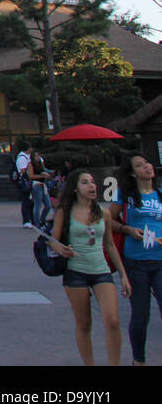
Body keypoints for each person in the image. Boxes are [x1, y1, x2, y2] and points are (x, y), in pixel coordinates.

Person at [49, 169, 130, 365]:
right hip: (75, 272)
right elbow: (53, 240)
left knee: (112, 321)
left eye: (92, 182)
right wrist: (62, 250)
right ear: (75, 189)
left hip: (101, 271)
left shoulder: (104, 213)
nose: (92, 186)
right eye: (85, 182)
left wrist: (123, 275)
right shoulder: (64, 212)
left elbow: (109, 245)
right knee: (84, 324)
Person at [109, 153, 162, 365]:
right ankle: (138, 360)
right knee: (141, 314)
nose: (147, 167)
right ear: (132, 173)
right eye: (140, 165)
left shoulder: (160, 194)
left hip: (160, 261)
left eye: (147, 163)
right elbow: (109, 220)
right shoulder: (124, 194)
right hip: (135, 262)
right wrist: (127, 229)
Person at [29, 147, 52, 228]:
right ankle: (36, 223)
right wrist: (41, 175)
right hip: (37, 185)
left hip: (43, 185)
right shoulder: (31, 164)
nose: (37, 157)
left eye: (38, 155)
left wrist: (48, 175)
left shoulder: (41, 164)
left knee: (48, 205)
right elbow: (31, 176)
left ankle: (42, 220)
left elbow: (45, 172)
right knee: (38, 205)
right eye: (35, 156)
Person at [15, 142, 35, 228]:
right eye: (31, 147)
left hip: (27, 181)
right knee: (26, 201)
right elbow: (23, 170)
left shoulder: (27, 157)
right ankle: (26, 220)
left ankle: (31, 219)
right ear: (27, 148)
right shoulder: (22, 158)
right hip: (25, 181)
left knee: (30, 201)